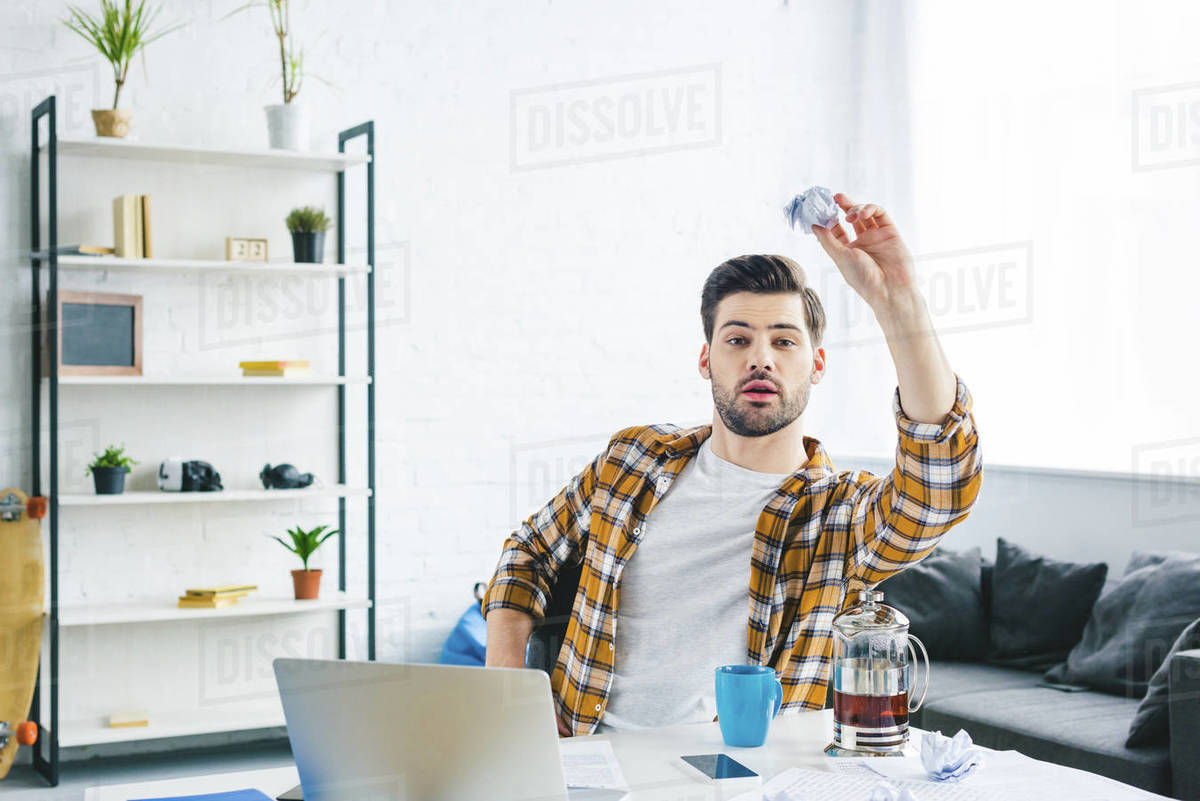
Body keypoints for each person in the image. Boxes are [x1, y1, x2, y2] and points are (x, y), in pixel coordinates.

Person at [482, 193, 983, 737]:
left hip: (742, 779)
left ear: (816, 365)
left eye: (783, 341)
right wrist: (509, 691)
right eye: (738, 339)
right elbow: (527, 552)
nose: (760, 358)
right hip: (588, 759)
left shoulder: (838, 517)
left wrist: (899, 303)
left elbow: (939, 491)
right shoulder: (632, 460)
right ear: (707, 359)